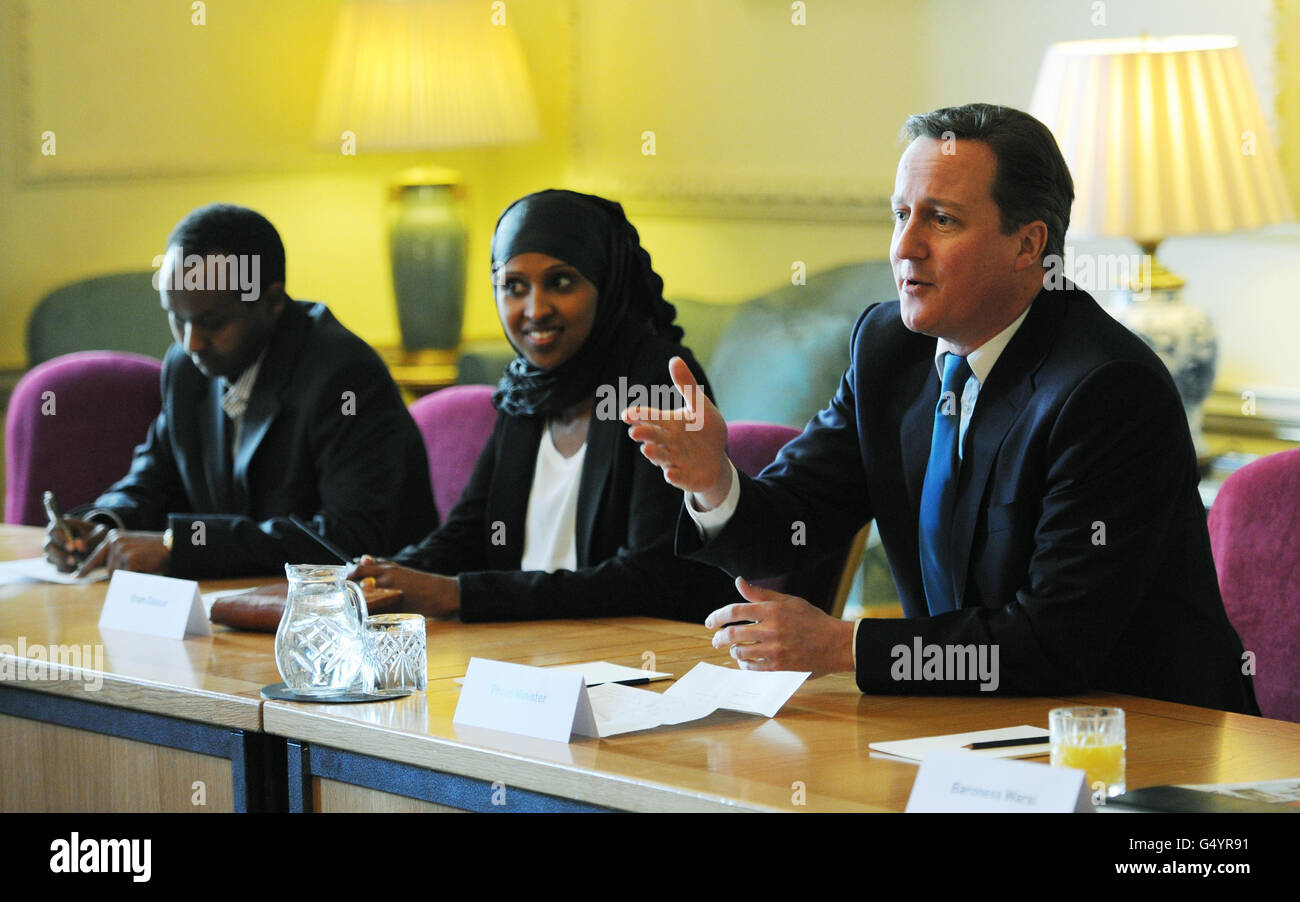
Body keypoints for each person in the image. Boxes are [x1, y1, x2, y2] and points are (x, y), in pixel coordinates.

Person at [625, 104, 1258, 714]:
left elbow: (1052, 643)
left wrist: (844, 646)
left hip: (1139, 734)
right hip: (961, 721)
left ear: (1027, 245)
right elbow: (794, 524)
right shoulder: (888, 348)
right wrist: (713, 480)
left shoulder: (1107, 390)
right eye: (901, 214)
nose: (906, 246)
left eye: (942, 220)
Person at [350, 189, 736, 622]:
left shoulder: (658, 383)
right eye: (514, 287)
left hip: (644, 651)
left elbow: (651, 580)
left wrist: (459, 595)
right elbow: (470, 533)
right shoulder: (527, 388)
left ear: (606, 281)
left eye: (561, 282)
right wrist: (382, 576)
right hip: (526, 648)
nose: (535, 310)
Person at [44, 203, 435, 579]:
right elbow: (155, 481)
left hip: (366, 610)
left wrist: (180, 547)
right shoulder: (186, 367)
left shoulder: (345, 376)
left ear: (272, 301)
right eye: (176, 318)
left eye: (212, 322)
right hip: (238, 603)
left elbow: (348, 537)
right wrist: (103, 524)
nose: (191, 342)